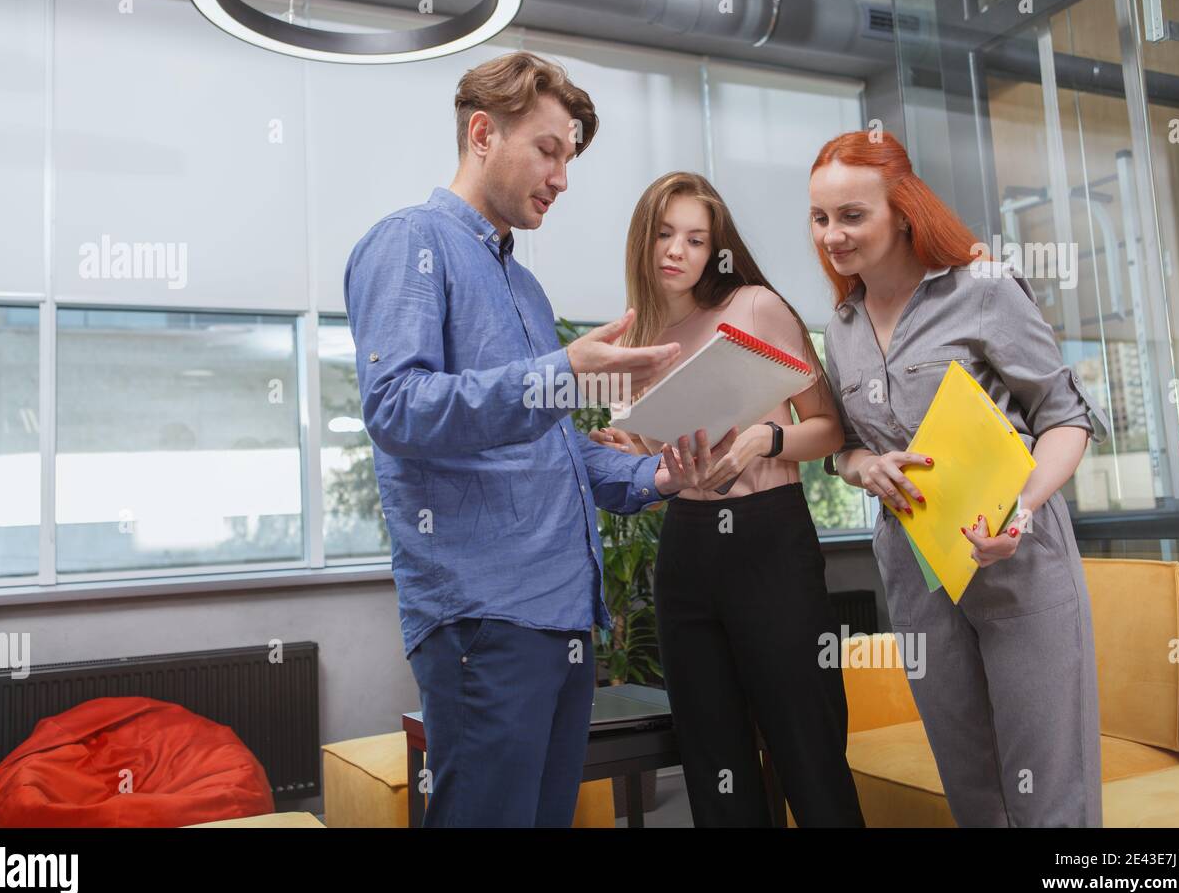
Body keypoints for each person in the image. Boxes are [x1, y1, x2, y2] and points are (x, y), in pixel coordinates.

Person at [344, 52, 736, 827]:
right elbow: (396, 407)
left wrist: (660, 478)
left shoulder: (522, 285)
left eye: (570, 158)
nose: (561, 176)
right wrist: (563, 374)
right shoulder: (408, 242)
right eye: (549, 150)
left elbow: (549, 449)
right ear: (483, 134)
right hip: (486, 616)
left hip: (560, 614)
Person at [812, 129, 1111, 826]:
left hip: (1017, 559)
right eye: (820, 218)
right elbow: (845, 448)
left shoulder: (984, 290)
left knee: (1048, 791)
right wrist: (866, 468)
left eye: (852, 215)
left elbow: (1068, 418)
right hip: (917, 570)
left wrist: (1022, 508)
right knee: (972, 789)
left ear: (903, 211)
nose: (832, 235)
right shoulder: (843, 324)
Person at [591, 171, 865, 826]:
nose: (677, 250)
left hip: (770, 542)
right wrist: (642, 464)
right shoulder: (636, 347)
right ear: (643, 241)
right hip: (687, 550)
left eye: (694, 238)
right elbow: (664, 473)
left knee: (810, 751)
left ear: (717, 248)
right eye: (664, 234)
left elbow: (829, 426)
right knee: (714, 764)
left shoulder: (755, 307)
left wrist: (765, 440)